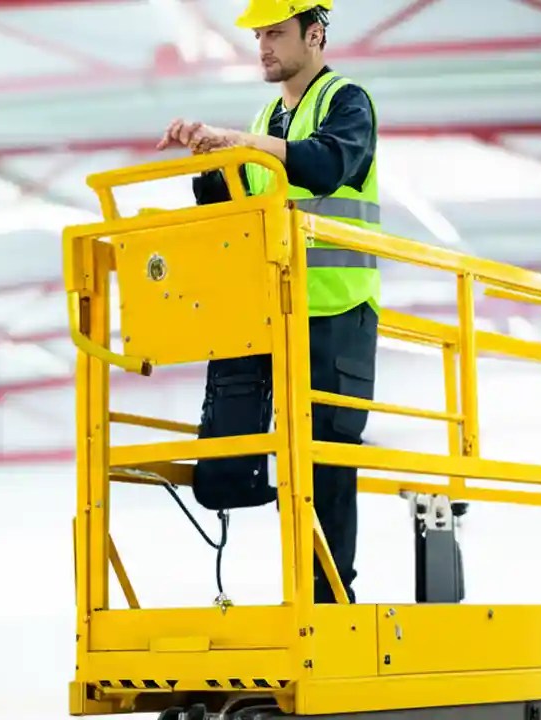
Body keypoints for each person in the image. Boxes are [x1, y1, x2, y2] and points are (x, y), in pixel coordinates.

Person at [155, 0, 381, 604]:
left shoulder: (346, 100)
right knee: (246, 443)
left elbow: (332, 163)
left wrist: (243, 142)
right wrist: (212, 160)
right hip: (274, 311)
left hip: (336, 311)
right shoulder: (267, 119)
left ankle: (331, 599)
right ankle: (295, 592)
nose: (264, 46)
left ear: (316, 34)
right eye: (259, 35)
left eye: (276, 33)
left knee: (327, 456)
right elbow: (240, 205)